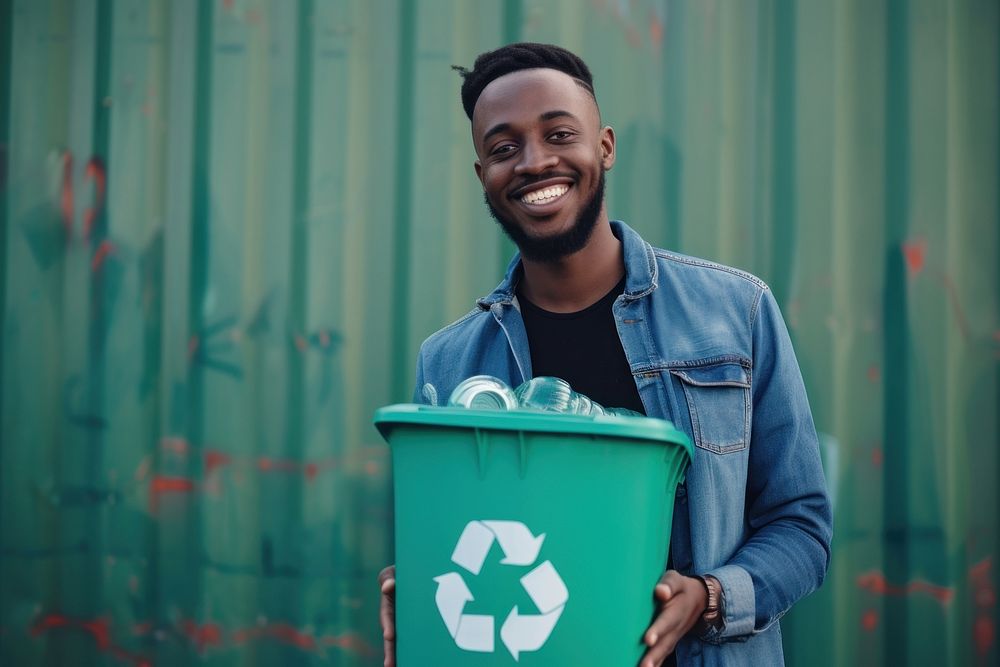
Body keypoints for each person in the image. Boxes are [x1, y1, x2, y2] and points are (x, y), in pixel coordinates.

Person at [378, 42, 832, 666]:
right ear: (481, 172)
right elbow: (458, 539)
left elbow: (802, 526)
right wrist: (419, 593)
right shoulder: (451, 363)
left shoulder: (735, 313)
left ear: (605, 147)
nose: (534, 163)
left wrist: (707, 597)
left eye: (560, 133)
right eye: (503, 148)